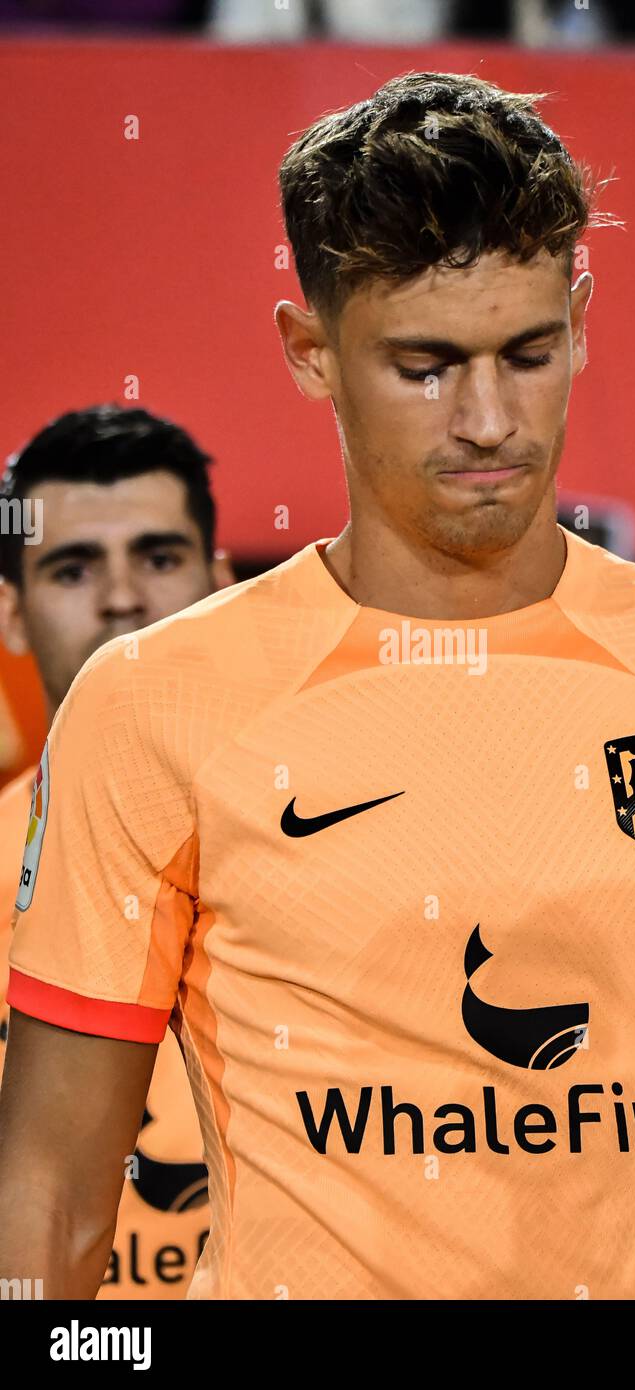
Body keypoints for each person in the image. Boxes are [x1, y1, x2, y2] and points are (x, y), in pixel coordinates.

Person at [0, 73, 635, 1301]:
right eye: (423, 365)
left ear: (579, 320)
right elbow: (53, 1197)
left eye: (528, 352)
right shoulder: (157, 701)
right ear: (310, 353)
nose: (485, 419)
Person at [0, 403, 235, 1297]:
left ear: (221, 583)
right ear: (11, 615)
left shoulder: (344, 844)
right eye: (73, 567)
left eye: (160, 557)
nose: (123, 596)